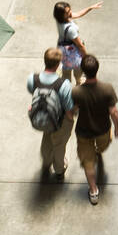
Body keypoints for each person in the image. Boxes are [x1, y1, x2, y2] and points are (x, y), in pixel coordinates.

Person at [72, 55, 118, 206]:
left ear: (83, 71)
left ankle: (93, 190)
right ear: (97, 69)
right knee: (102, 147)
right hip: (103, 130)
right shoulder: (107, 89)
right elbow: (113, 112)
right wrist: (116, 128)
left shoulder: (77, 92)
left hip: (84, 132)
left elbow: (72, 111)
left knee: (88, 163)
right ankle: (98, 151)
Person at [28, 47, 75, 181]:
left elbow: (32, 93)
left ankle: (46, 162)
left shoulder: (33, 79)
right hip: (59, 121)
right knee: (59, 145)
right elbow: (68, 109)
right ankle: (59, 170)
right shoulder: (63, 85)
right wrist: (70, 122)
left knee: (46, 139)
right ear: (58, 64)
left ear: (45, 61)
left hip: (42, 117)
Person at [53, 0, 102, 84]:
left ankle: (66, 90)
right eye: (68, 12)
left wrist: (90, 8)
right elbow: (80, 46)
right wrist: (86, 57)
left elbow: (78, 14)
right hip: (73, 54)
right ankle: (78, 86)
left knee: (66, 76)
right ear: (62, 15)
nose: (70, 12)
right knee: (78, 73)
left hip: (63, 52)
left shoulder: (59, 20)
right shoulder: (70, 29)